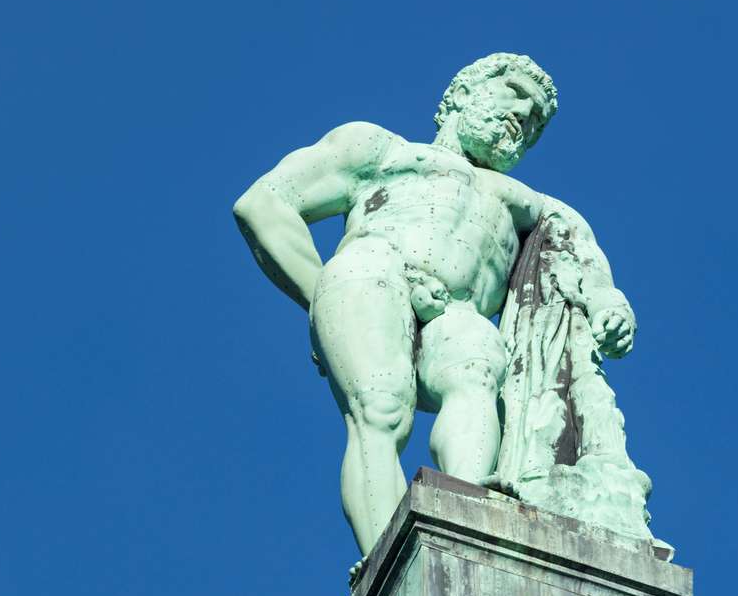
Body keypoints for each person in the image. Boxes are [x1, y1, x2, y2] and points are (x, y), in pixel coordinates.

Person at [234, 54, 635, 566]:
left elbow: (577, 252)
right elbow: (265, 204)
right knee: (381, 411)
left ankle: (469, 528)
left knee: (478, 368)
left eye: (536, 119)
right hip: (374, 271)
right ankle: (385, 564)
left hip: (458, 309)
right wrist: (322, 300)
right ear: (462, 94)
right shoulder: (381, 149)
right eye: (514, 93)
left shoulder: (529, 203)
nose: (524, 116)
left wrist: (608, 302)